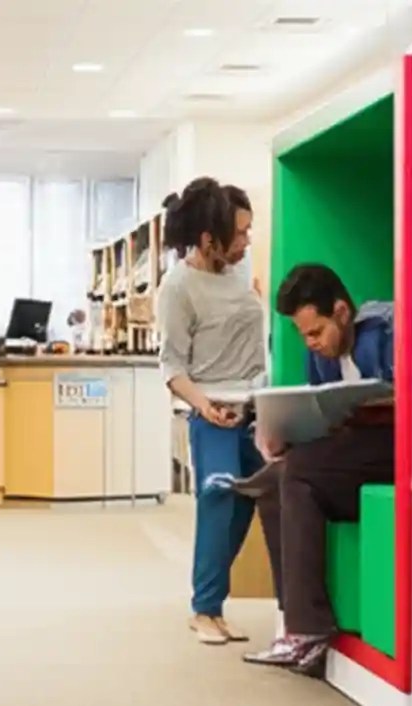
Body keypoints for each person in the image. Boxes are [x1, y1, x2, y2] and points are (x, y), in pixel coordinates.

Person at [242, 263, 395, 675]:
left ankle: (308, 630)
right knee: (275, 480)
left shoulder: (384, 332)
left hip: (395, 450)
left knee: (300, 470)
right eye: (302, 335)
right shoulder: (323, 358)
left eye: (315, 332)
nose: (311, 343)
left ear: (342, 312)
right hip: (350, 454)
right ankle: (293, 621)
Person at [157, 177, 268, 645]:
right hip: (213, 410)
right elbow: (172, 367)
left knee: (249, 501)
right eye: (239, 234)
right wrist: (204, 406)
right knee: (218, 498)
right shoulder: (178, 286)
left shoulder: (240, 273)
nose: (246, 242)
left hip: (259, 407)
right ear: (208, 240)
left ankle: (216, 604)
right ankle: (204, 608)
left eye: (248, 231)